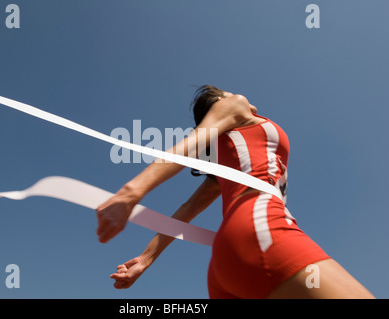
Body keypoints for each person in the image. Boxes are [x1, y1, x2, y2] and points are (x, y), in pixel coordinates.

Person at [96, 85, 374, 299]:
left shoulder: (226, 164)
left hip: (224, 266)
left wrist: (144, 260)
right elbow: (192, 143)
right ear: (220, 101)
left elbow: (187, 209)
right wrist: (130, 193)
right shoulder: (235, 104)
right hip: (263, 231)